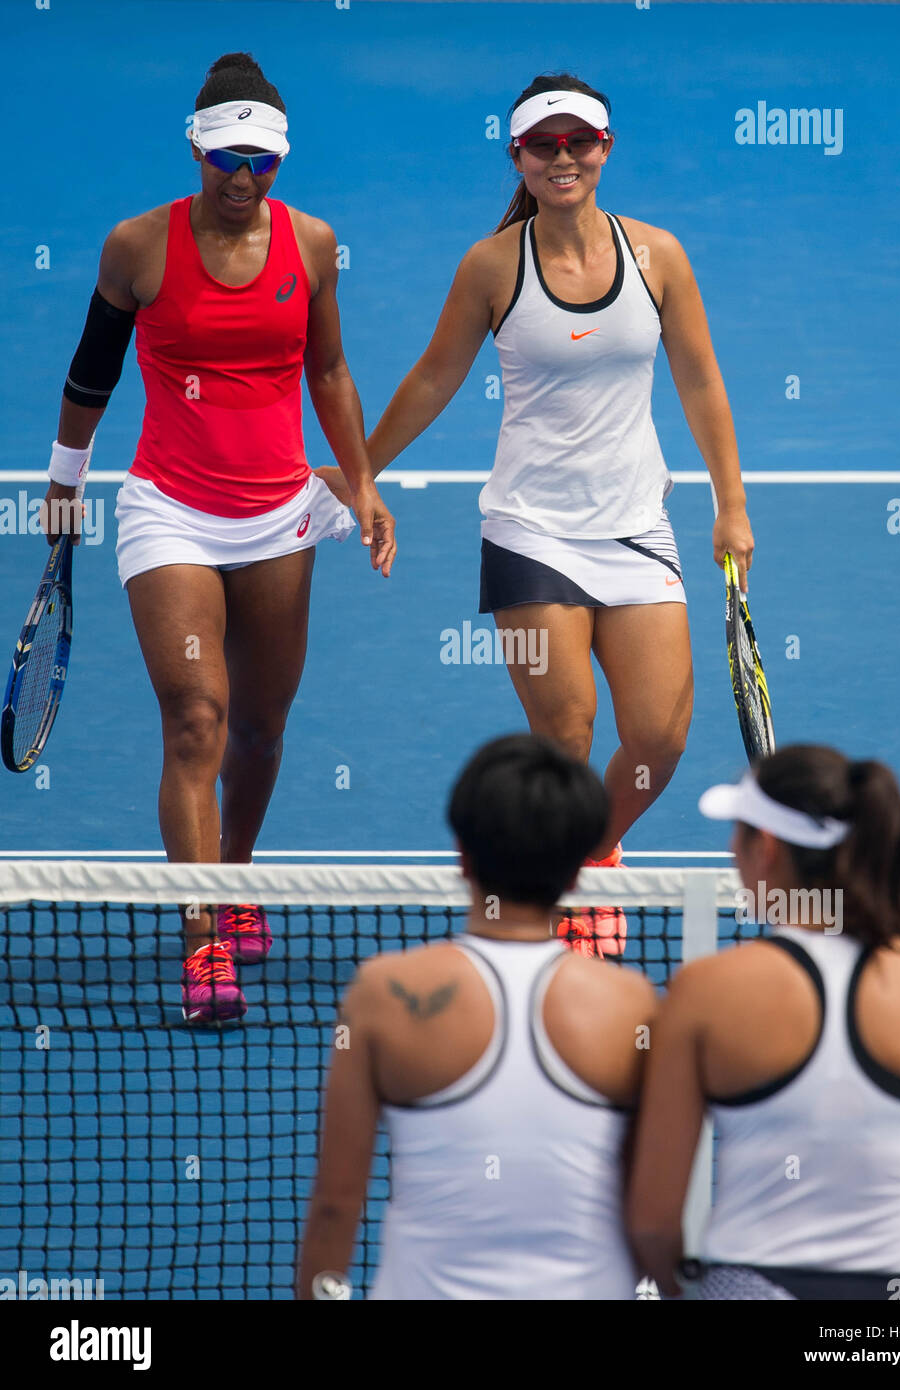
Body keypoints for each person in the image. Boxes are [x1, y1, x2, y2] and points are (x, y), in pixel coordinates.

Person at [321, 72, 753, 960]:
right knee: (565, 732)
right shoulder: (491, 268)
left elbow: (700, 380)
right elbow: (434, 375)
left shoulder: (658, 257)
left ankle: (590, 845)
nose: (564, 159)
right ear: (516, 157)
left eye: (579, 142)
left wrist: (730, 505)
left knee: (659, 738)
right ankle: (565, 881)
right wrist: (360, 472)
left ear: (605, 147)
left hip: (637, 529)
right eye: (543, 146)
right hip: (529, 532)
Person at [43, 53, 396, 1024]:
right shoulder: (137, 248)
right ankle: (202, 939)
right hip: (170, 511)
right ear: (198, 148)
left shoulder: (312, 245)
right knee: (197, 716)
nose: (244, 181)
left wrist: (358, 484)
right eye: (228, 158)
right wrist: (65, 483)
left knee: (261, 726)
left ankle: (233, 876)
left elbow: (328, 372)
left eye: (263, 163)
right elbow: (90, 374)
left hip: (280, 512)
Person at [297, 734, 658, 1300]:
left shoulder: (383, 994)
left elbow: (335, 1206)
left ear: (462, 856)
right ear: (577, 874)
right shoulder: (630, 1006)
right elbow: (652, 1208)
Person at [626, 745, 900, 1300]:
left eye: (738, 833)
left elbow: (652, 1221)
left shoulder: (708, 993)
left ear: (765, 849)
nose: (731, 851)